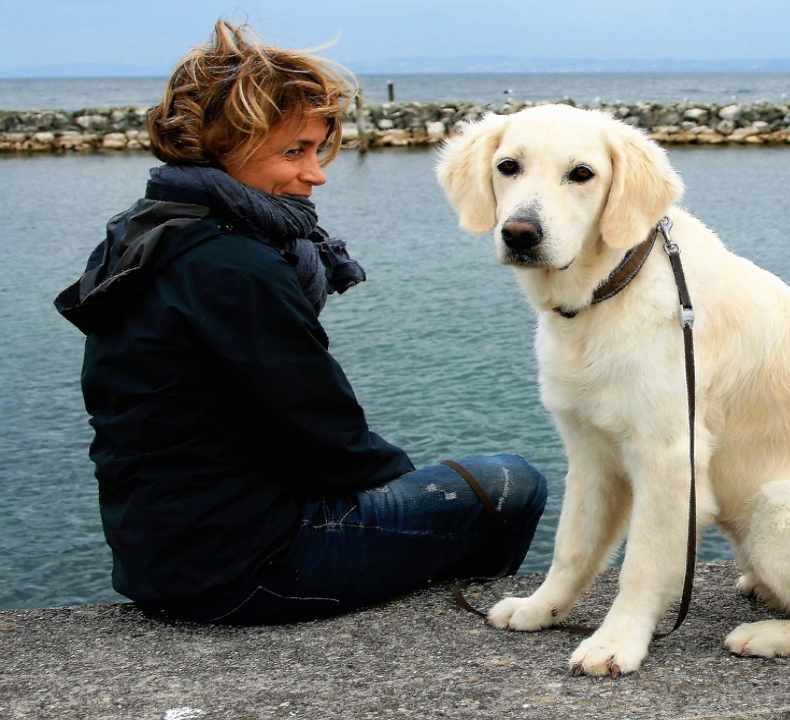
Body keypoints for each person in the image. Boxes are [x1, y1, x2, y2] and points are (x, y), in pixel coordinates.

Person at [53, 20, 546, 624]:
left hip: (159, 557)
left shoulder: (147, 231)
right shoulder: (233, 265)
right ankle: (448, 627)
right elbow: (332, 437)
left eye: (316, 150)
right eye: (293, 152)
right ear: (218, 145)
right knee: (510, 483)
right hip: (249, 568)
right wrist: (404, 495)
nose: (316, 174)